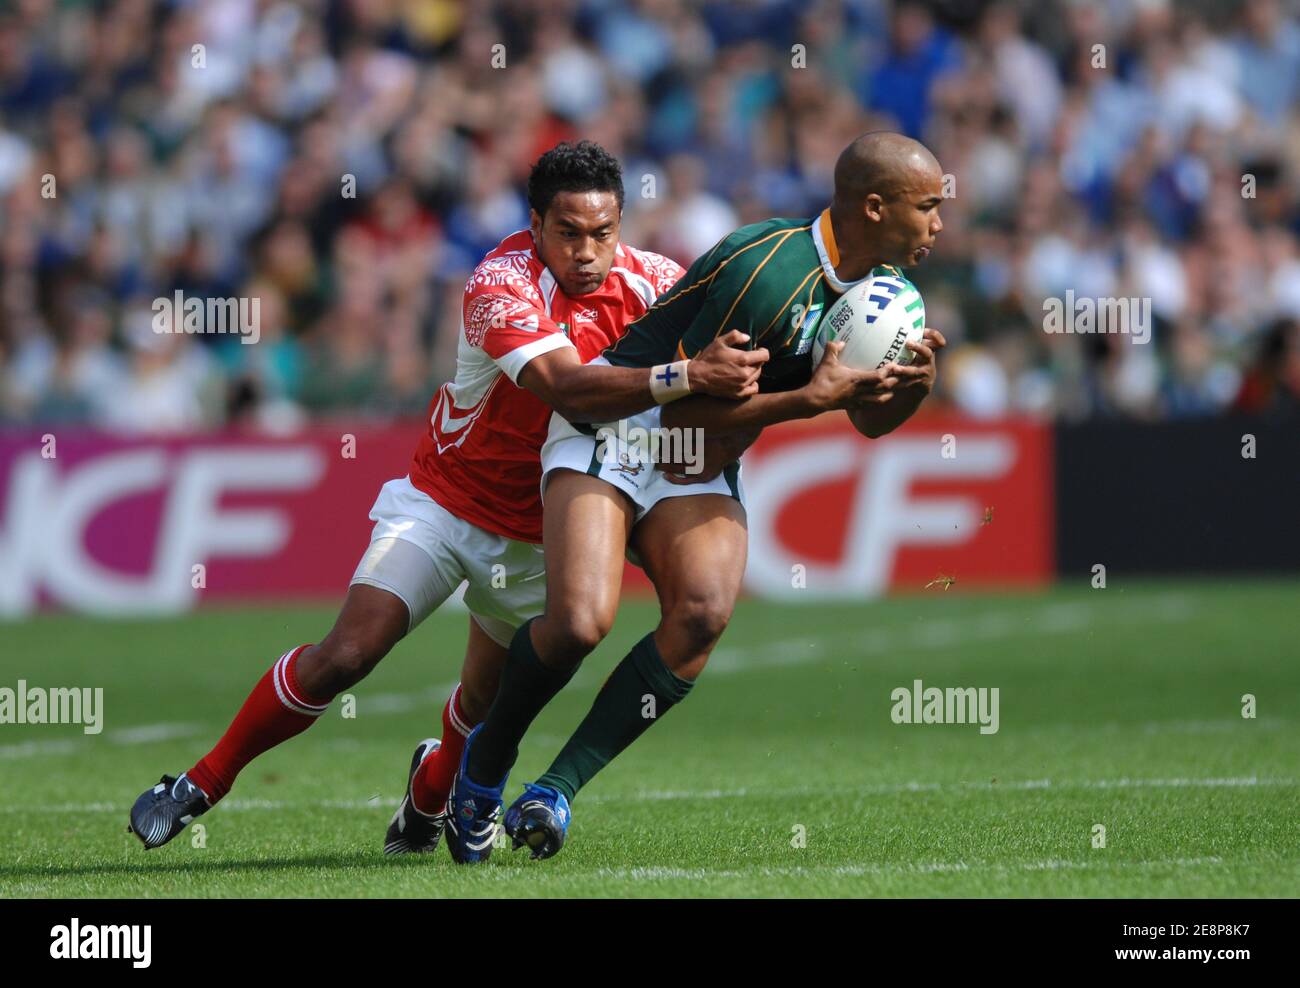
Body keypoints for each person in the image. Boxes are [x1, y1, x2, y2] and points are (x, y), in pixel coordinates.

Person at [126, 140, 776, 851]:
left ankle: (429, 797)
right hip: (446, 504)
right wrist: (686, 377)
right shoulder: (500, 283)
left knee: (479, 703)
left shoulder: (659, 283)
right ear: (535, 225)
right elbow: (563, 386)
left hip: (545, 532)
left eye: (603, 232)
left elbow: (726, 371)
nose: (586, 251)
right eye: (568, 233)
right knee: (348, 653)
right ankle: (199, 781)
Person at [443, 131, 949, 862]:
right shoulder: (767, 269)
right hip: (619, 427)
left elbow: (869, 421)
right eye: (927, 207)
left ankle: (555, 790)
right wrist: (809, 401)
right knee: (581, 623)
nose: (939, 222)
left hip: (703, 457)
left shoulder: (891, 294)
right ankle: (483, 768)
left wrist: (913, 390)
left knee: (704, 613)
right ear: (875, 207)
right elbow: (684, 414)